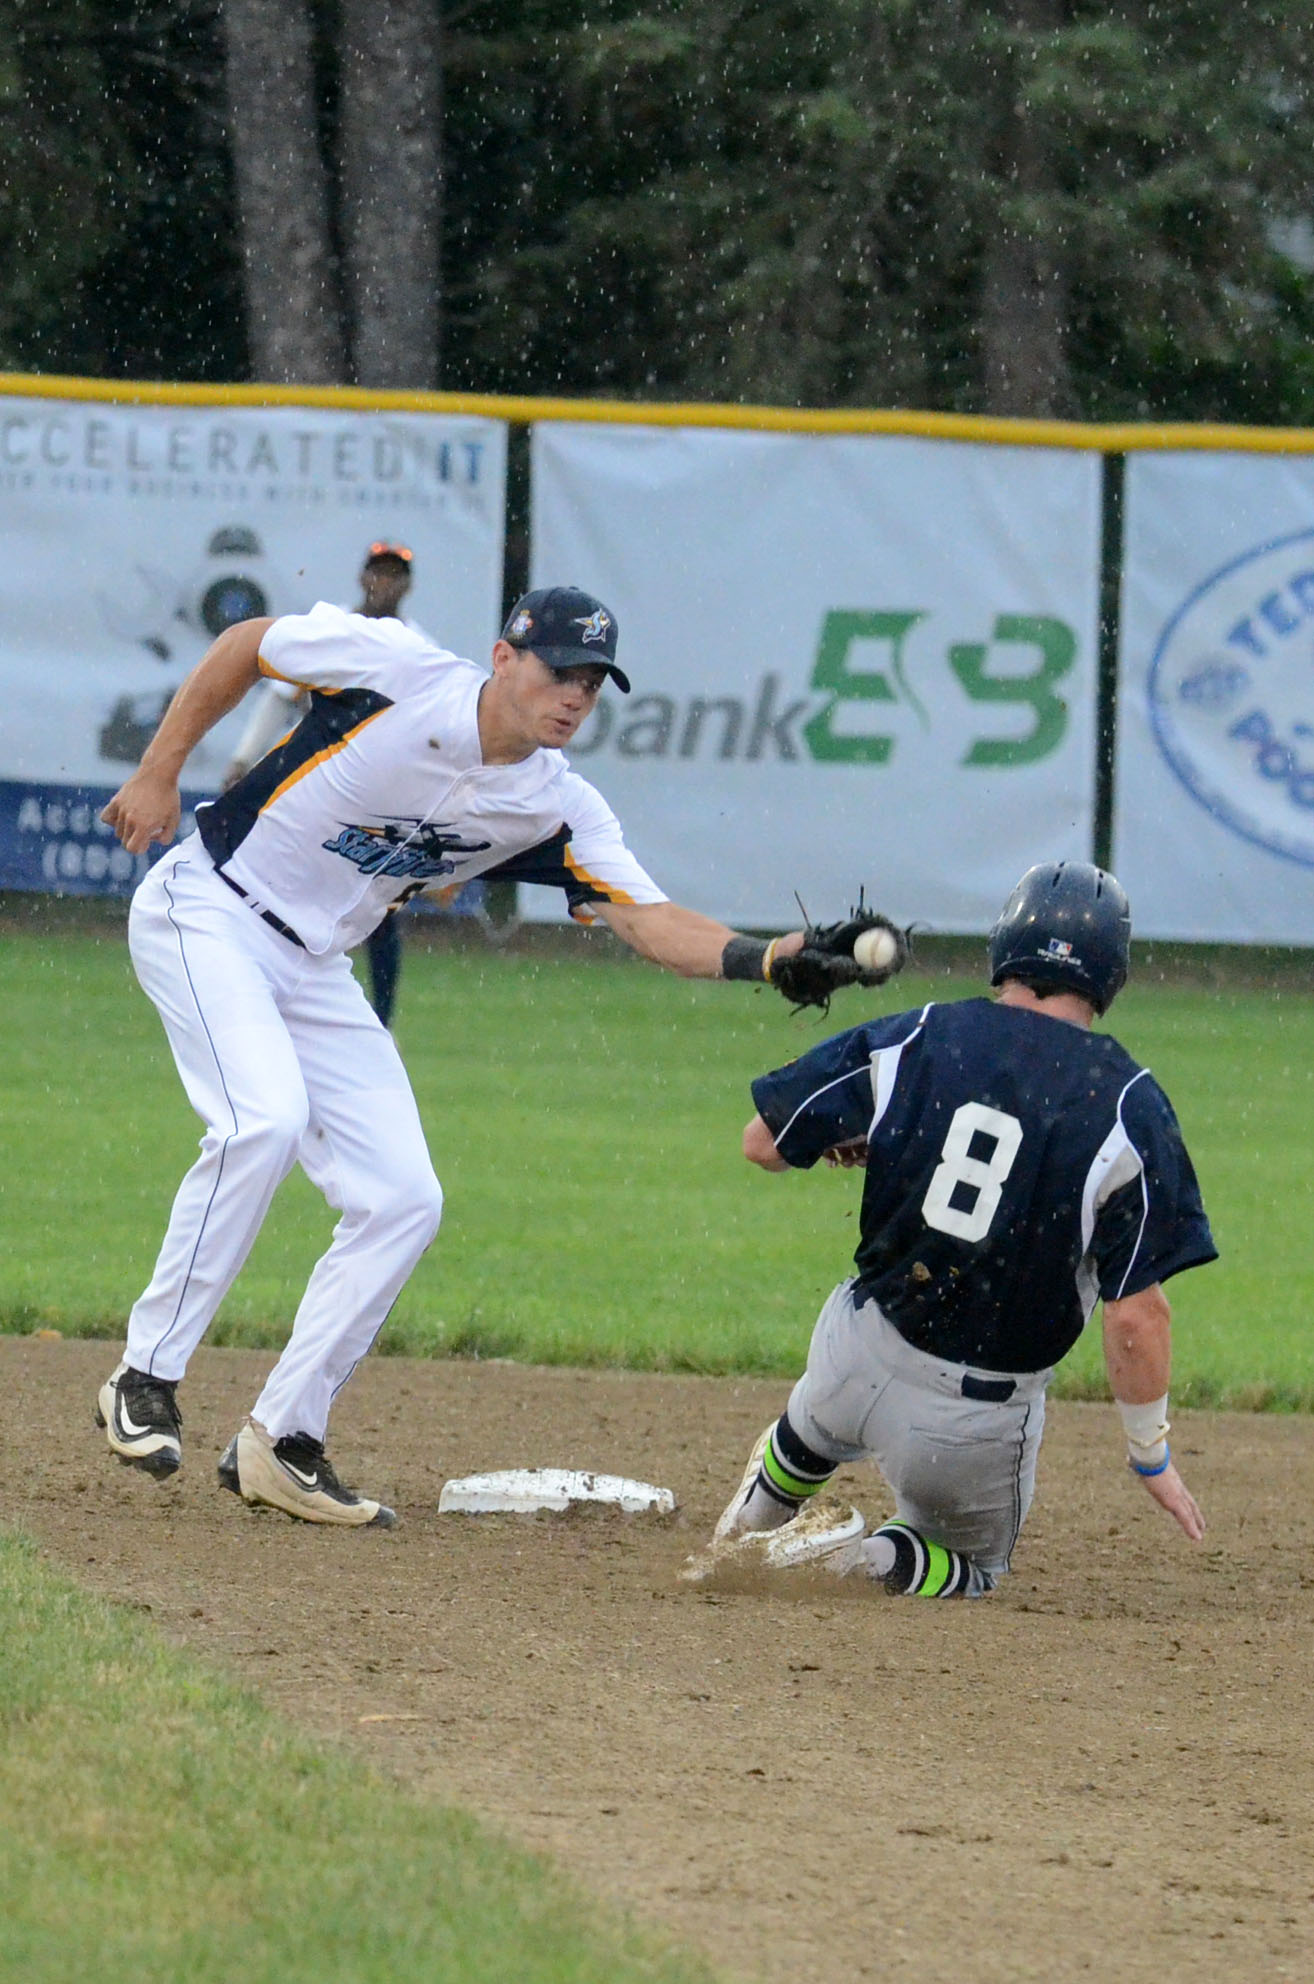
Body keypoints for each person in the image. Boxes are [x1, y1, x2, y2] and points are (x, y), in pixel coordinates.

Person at [95, 585, 881, 1528]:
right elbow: (245, 644)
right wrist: (158, 769)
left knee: (403, 1199)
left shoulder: (555, 806)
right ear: (505, 658)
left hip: (314, 969)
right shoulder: (395, 668)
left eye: (593, 683)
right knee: (263, 1119)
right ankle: (144, 1375)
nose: (576, 697)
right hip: (211, 908)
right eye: (561, 673)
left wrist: (773, 961)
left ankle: (281, 1441)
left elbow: (652, 920)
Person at [706, 860, 1216, 1597]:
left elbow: (763, 1143)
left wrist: (876, 1138)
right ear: (1111, 973)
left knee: (818, 1414)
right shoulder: (1130, 1102)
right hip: (967, 1427)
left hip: (858, 1350)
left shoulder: (919, 1033)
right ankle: (869, 1561)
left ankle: (752, 1516)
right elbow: (1136, 1315)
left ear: (1004, 944)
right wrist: (1150, 1456)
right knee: (974, 1569)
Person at [221, 541, 423, 1026]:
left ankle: (379, 1023)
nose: (386, 582)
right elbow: (278, 696)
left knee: (377, 914)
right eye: (379, 571)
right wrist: (244, 757)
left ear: (407, 585)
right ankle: (265, 1004)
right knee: (280, 893)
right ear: (362, 577)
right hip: (315, 789)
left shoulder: (421, 647)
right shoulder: (333, 630)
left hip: (378, 800)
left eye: (396, 575)